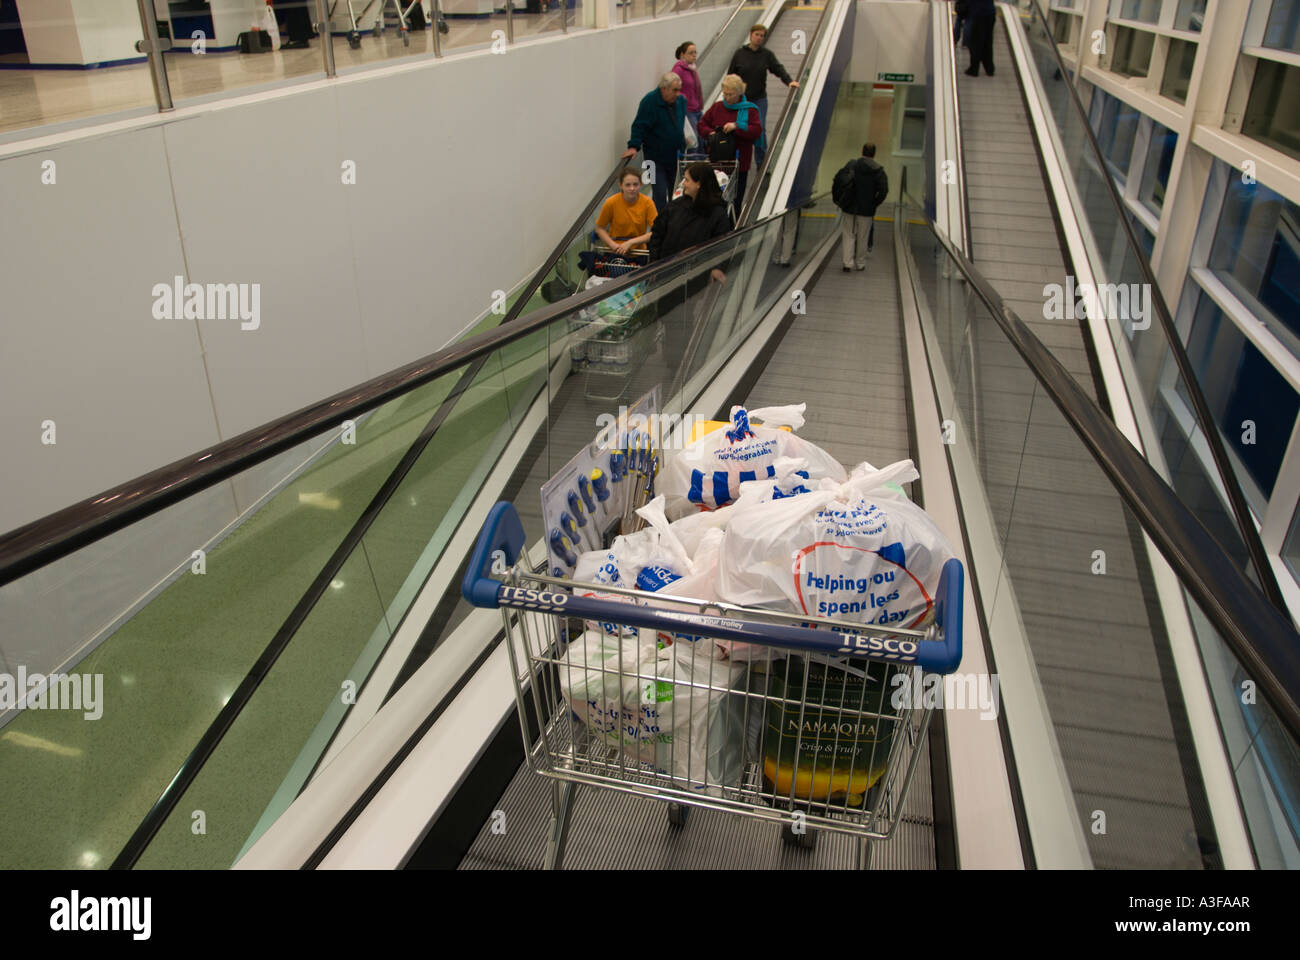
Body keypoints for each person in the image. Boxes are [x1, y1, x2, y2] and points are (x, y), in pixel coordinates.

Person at [727, 25, 798, 169]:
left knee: (760, 129)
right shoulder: (739, 54)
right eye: (757, 35)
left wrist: (789, 81)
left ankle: (761, 162)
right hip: (741, 100)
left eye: (762, 36)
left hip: (759, 98)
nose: (759, 38)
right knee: (739, 127)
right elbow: (730, 75)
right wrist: (728, 94)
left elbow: (777, 68)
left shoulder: (766, 55)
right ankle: (737, 160)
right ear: (751, 35)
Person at [622, 73, 687, 213]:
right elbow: (639, 126)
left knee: (676, 193)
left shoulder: (681, 101)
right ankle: (660, 226)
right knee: (659, 193)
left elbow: (681, 123)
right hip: (653, 159)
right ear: (664, 88)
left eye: (679, 90)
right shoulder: (649, 102)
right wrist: (633, 146)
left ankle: (674, 223)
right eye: (674, 90)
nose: (678, 94)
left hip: (676, 157)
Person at [697, 74, 762, 206]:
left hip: (739, 162)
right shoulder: (717, 107)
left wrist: (737, 126)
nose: (727, 97)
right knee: (715, 200)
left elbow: (756, 131)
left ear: (739, 93)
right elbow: (701, 125)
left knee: (735, 200)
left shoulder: (750, 109)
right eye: (725, 94)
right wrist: (711, 133)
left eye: (731, 94)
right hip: (717, 161)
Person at [831, 143, 889, 272]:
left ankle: (847, 263)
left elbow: (838, 180)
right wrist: (874, 203)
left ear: (862, 151)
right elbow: (884, 190)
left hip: (849, 207)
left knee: (848, 235)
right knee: (863, 237)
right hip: (866, 211)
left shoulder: (852, 165)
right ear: (874, 154)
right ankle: (860, 263)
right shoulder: (878, 171)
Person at [595, 167, 658, 254]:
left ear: (641, 184)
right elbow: (599, 228)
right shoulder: (611, 202)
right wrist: (612, 245)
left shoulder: (647, 203)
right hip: (615, 251)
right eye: (628, 185)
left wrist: (631, 242)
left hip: (638, 251)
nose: (632, 188)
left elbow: (656, 232)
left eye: (635, 184)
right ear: (621, 185)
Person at [673, 42, 704, 143]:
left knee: (702, 140)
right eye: (691, 53)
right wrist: (684, 98)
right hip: (688, 110)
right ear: (682, 54)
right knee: (693, 142)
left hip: (697, 109)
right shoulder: (678, 69)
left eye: (695, 52)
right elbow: (673, 89)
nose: (694, 55)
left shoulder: (692, 68)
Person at [965, 0, 996, 76]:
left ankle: (974, 69)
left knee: (976, 43)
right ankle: (989, 68)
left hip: (979, 13)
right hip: (990, 12)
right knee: (987, 42)